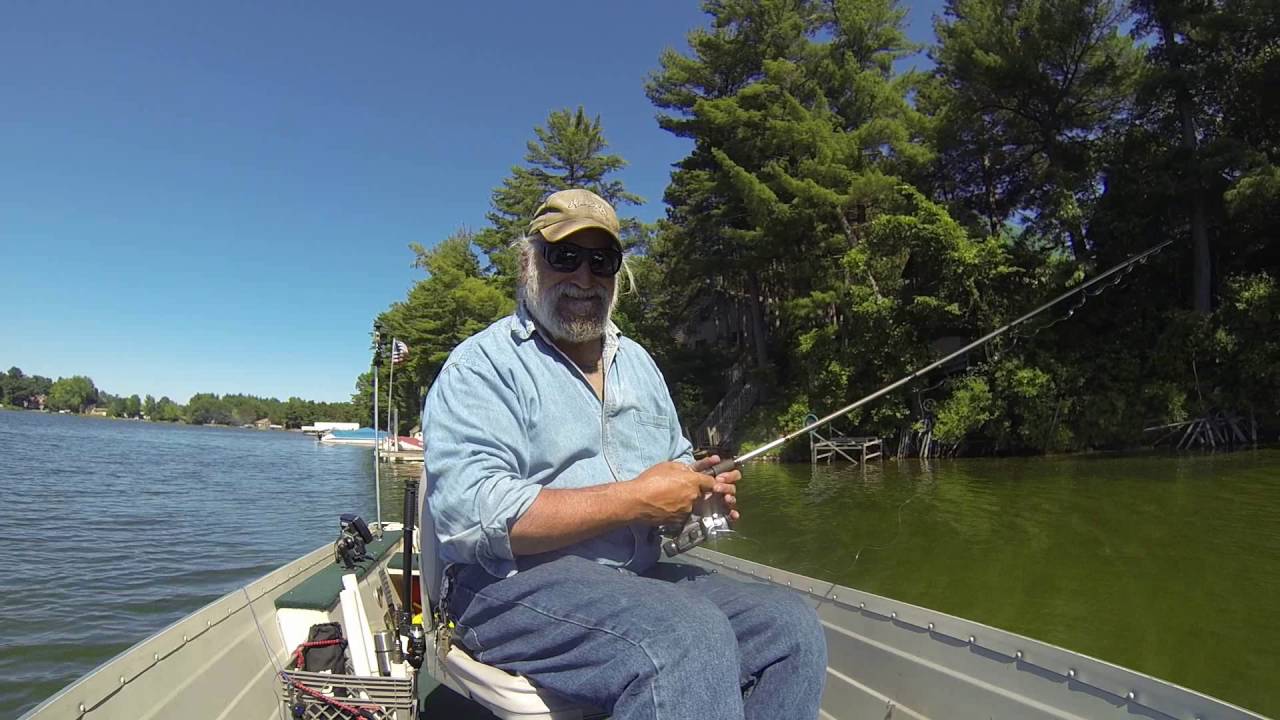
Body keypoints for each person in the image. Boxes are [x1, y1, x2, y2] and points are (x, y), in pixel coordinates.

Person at [422, 189, 827, 719]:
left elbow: (674, 468)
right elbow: (471, 517)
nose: (584, 278)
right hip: (505, 588)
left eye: (601, 261)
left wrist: (697, 499)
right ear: (529, 261)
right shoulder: (481, 366)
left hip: (631, 582)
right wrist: (636, 501)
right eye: (564, 257)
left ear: (617, 274)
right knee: (685, 637)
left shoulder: (639, 364)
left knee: (790, 627)